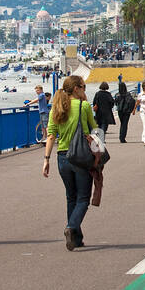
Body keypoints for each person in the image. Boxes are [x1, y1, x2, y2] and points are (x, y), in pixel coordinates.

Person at [41, 75, 96, 250]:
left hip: (62, 156)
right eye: (83, 87)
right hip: (81, 156)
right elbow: (94, 128)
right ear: (76, 89)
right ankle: (71, 227)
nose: (84, 90)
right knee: (83, 198)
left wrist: (46, 159)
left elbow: (51, 135)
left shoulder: (56, 108)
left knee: (71, 196)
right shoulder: (84, 105)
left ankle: (76, 238)